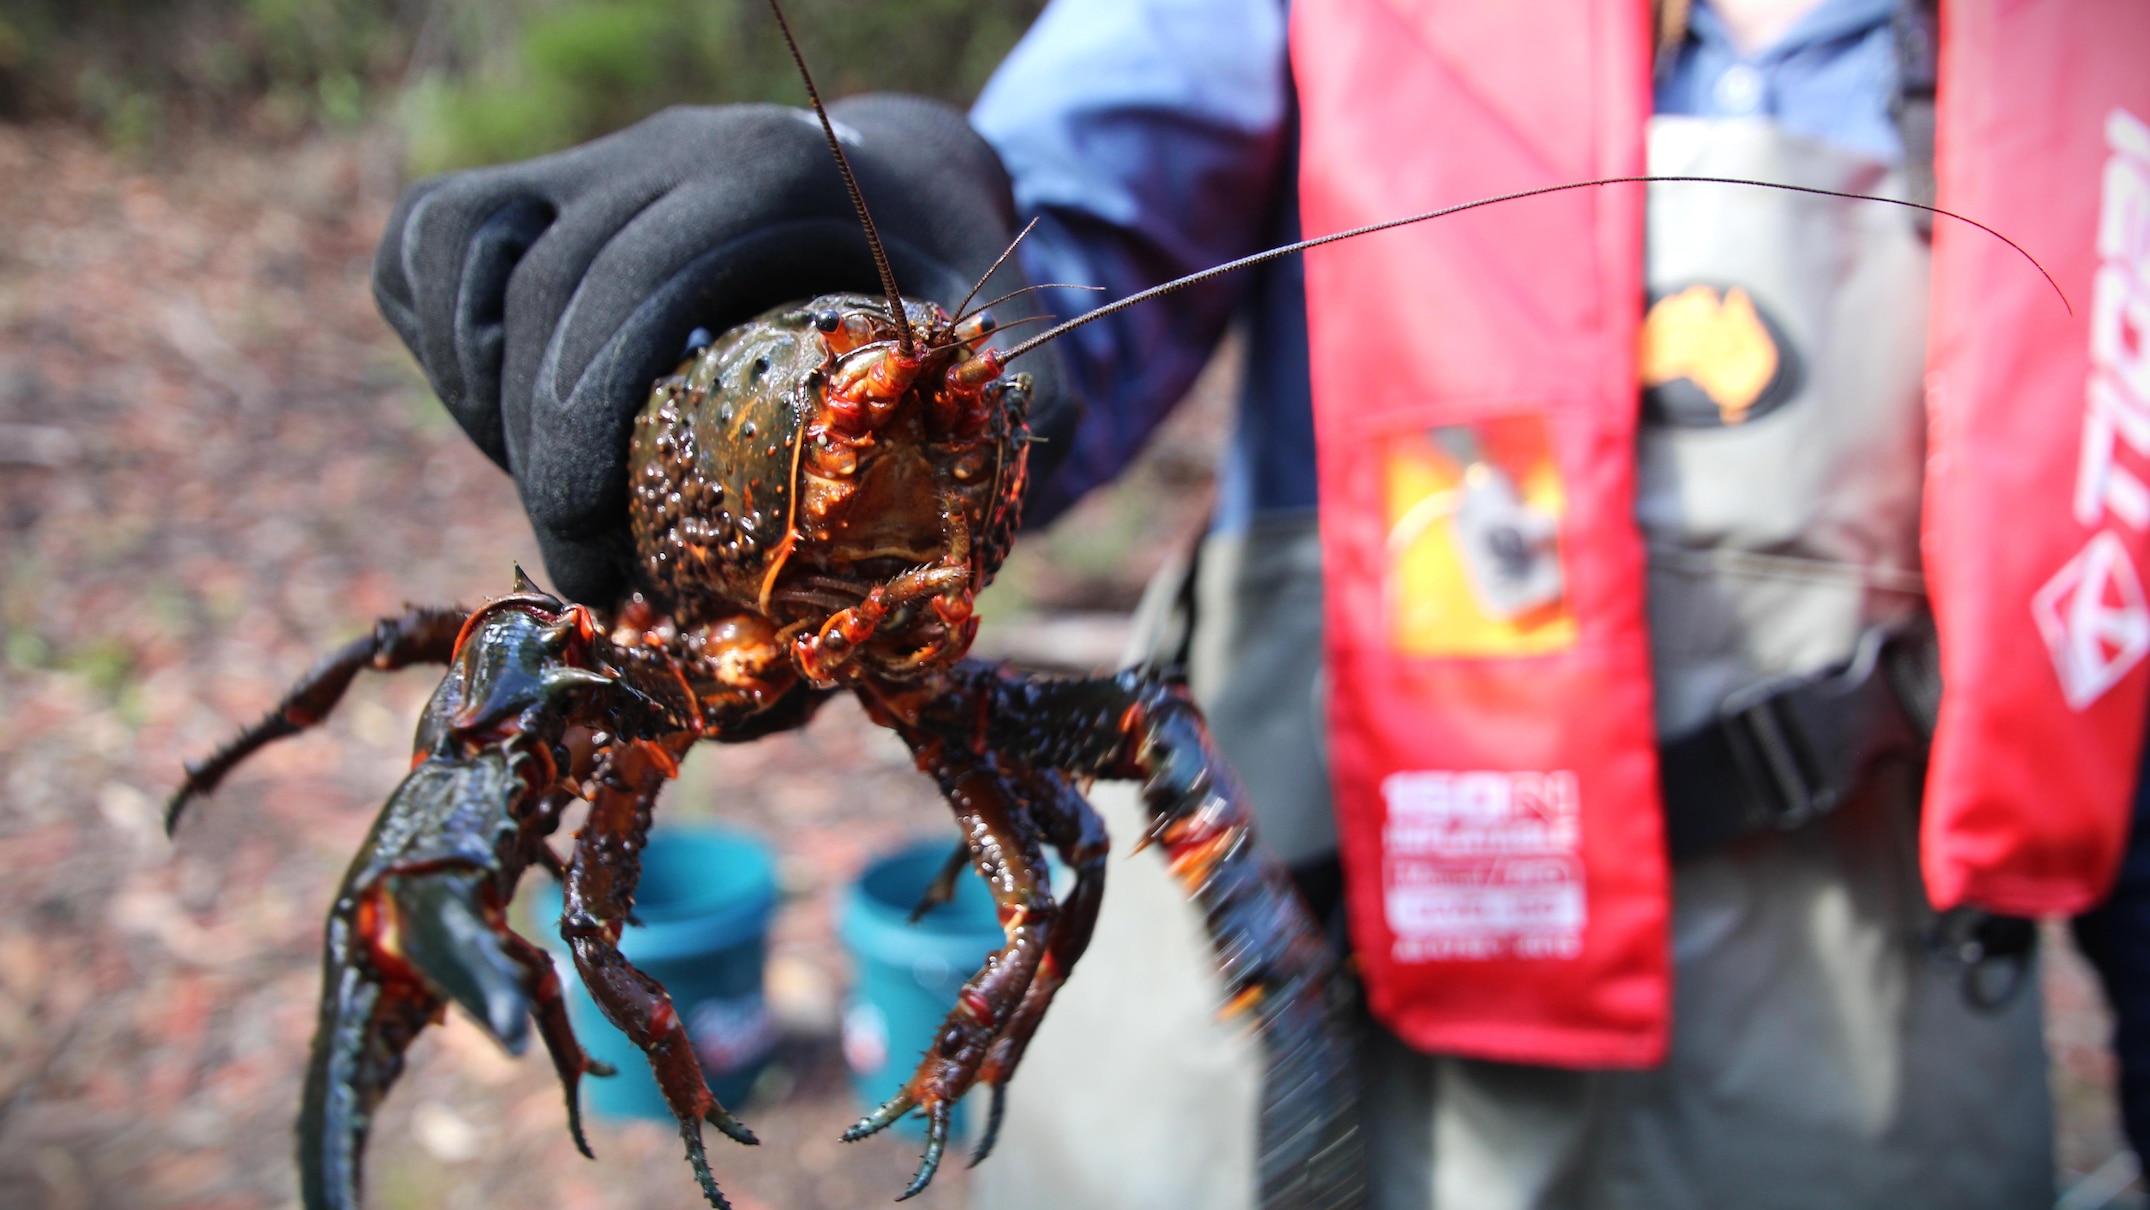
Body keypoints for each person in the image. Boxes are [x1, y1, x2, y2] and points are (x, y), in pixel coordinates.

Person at [369, 1, 2083, 1206]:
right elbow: (1064, 233)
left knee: (1076, 835)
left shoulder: (2089, 76)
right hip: (1322, 980)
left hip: (1846, 1061)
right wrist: (865, 213)